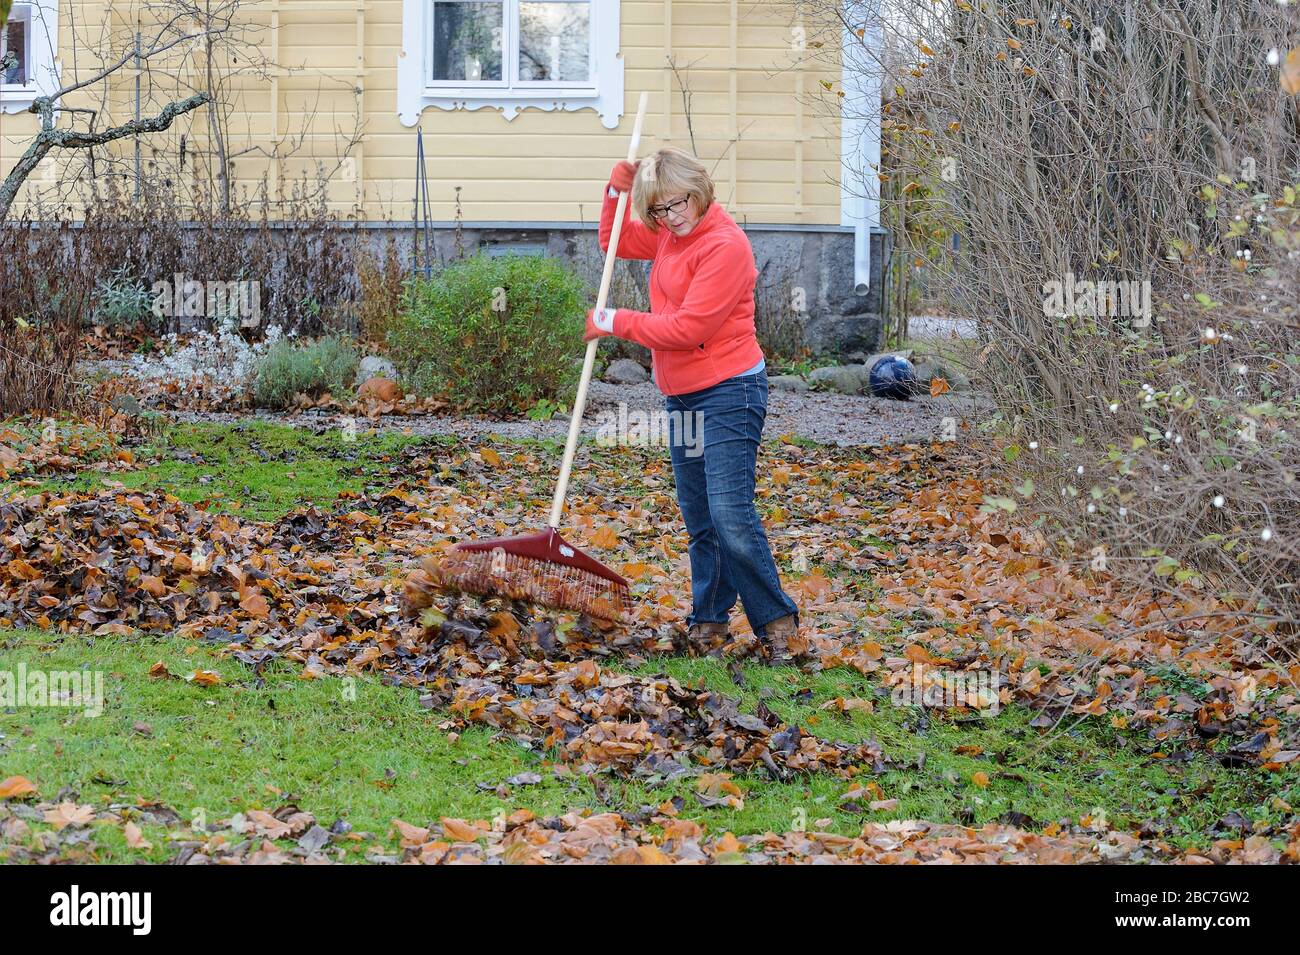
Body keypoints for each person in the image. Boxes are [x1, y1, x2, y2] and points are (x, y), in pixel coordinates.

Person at [584, 147, 803, 665]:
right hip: (681, 393)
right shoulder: (667, 235)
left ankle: (780, 625)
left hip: (730, 389)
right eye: (658, 210)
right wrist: (616, 190)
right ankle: (708, 622)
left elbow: (689, 328)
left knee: (730, 511)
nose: (670, 217)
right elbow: (611, 241)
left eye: (678, 203)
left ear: (699, 190)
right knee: (701, 516)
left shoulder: (725, 246)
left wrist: (615, 320)